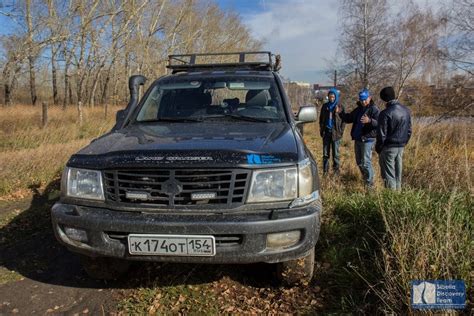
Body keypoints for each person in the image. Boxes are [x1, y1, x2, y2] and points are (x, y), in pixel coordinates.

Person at [338, 88, 380, 188]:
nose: (363, 101)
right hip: (358, 139)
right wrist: (340, 113)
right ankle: (365, 179)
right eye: (361, 100)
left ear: (369, 98)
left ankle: (370, 185)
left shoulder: (374, 109)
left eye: (365, 99)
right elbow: (349, 118)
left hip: (368, 140)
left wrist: (369, 121)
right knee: (359, 162)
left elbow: (380, 123)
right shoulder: (359, 109)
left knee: (366, 162)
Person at [376, 86, 412, 190]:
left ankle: (391, 198)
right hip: (401, 146)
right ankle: (398, 197)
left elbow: (381, 134)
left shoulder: (385, 113)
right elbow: (409, 130)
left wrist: (379, 147)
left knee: (389, 175)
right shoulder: (406, 110)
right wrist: (404, 142)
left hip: (388, 147)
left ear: (383, 98)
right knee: (398, 174)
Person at [319, 88, 345, 176]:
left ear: (336, 97)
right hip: (326, 132)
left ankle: (336, 173)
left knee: (336, 155)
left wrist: (340, 132)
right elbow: (321, 119)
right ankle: (325, 173)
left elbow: (343, 121)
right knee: (325, 154)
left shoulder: (340, 107)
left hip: (336, 134)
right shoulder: (325, 106)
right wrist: (321, 129)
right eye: (330, 97)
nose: (331, 98)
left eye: (333, 97)